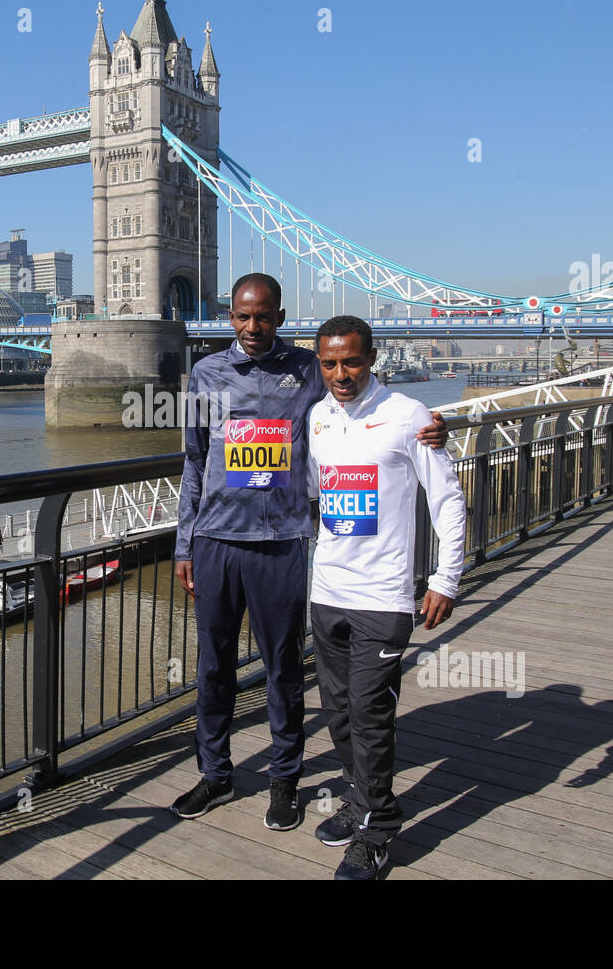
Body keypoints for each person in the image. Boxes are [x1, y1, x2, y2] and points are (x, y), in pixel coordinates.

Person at [169, 274, 448, 831]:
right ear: (230, 316)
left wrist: (436, 427)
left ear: (280, 315)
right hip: (217, 541)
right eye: (243, 317)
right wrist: (185, 544)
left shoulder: (309, 371)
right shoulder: (205, 374)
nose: (254, 328)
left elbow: (365, 404)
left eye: (265, 316)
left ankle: (283, 781)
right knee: (213, 669)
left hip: (283, 544)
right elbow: (194, 463)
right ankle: (216, 774)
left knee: (283, 672)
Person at [307, 314, 467, 880]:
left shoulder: (409, 417)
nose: (340, 373)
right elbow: (311, 492)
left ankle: (377, 834)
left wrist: (446, 578)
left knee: (370, 713)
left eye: (351, 361)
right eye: (329, 363)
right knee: (336, 711)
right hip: (327, 590)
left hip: (384, 596)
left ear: (371, 357)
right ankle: (361, 799)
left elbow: (446, 499)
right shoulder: (318, 417)